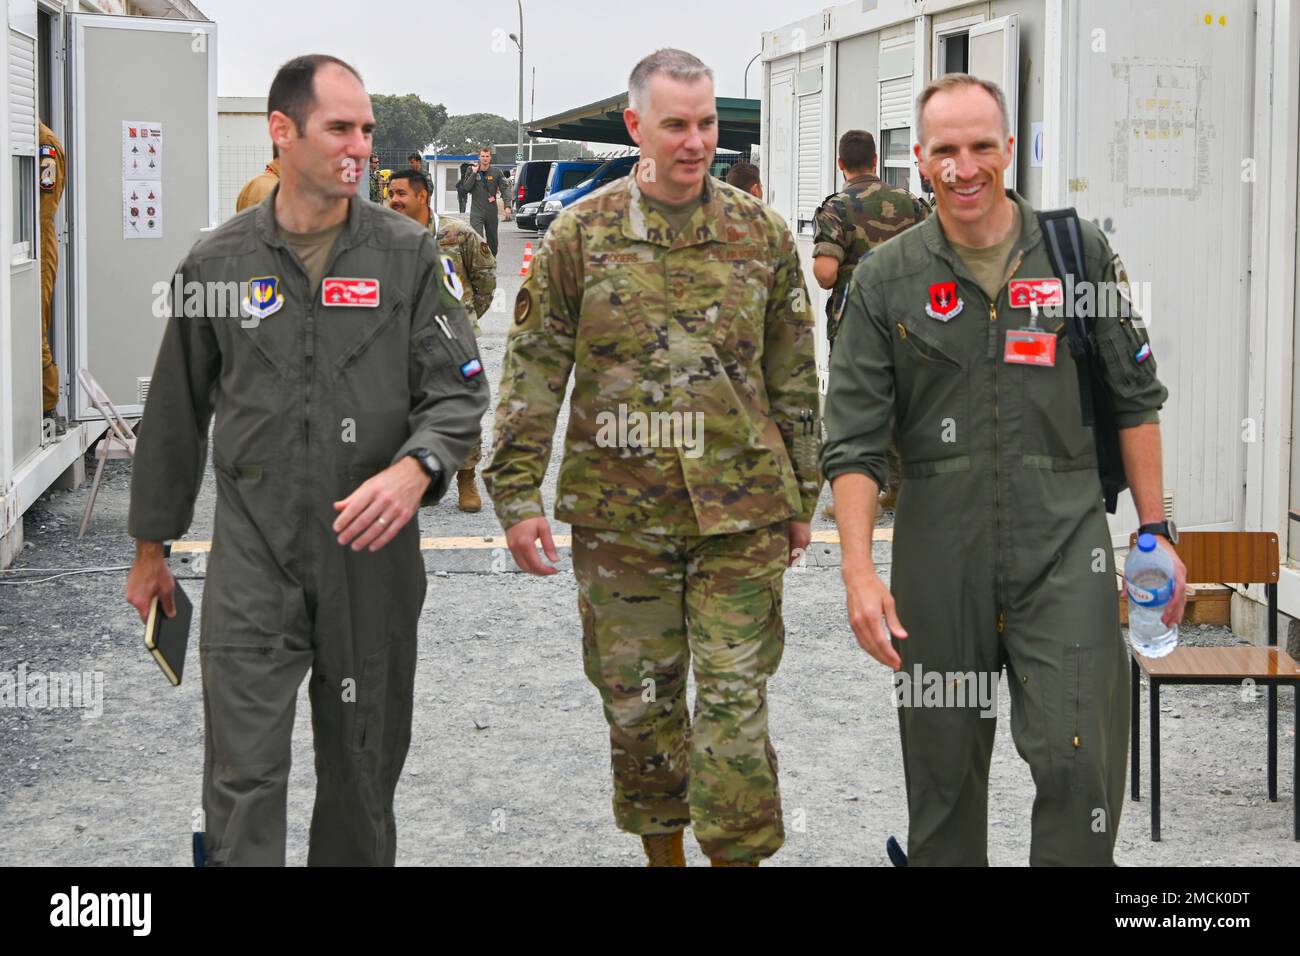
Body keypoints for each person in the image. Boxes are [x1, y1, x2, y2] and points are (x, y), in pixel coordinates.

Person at [123, 54, 488, 866]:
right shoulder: (217, 266)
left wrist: (415, 468)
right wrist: (152, 550)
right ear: (281, 133)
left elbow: (459, 390)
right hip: (254, 556)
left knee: (361, 776)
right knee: (242, 776)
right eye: (341, 128)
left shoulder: (408, 258)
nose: (361, 147)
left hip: (370, 557)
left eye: (366, 129)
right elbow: (174, 415)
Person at [821, 73, 1184, 866]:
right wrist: (858, 570)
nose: (965, 167)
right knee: (943, 773)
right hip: (938, 552)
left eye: (982, 145)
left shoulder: (1076, 252)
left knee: (1078, 754)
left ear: (1009, 149)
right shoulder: (886, 279)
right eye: (945, 150)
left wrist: (1154, 531)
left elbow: (1135, 397)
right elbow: (852, 440)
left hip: (1065, 543)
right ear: (918, 160)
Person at [485, 48, 820, 867]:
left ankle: (735, 859)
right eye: (677, 124)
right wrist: (518, 494)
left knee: (736, 707)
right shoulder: (580, 236)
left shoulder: (761, 234)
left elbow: (794, 374)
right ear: (637, 126)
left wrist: (801, 498)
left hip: (739, 516)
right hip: (619, 518)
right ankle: (664, 860)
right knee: (641, 710)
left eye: (706, 123)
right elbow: (534, 368)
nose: (695, 140)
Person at [813, 130, 928, 520]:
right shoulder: (911, 204)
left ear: (840, 163)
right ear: (876, 161)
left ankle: (858, 498)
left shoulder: (836, 208)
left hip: (855, 323)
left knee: (856, 407)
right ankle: (902, 489)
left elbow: (826, 274)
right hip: (908, 321)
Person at [387, 168, 497, 513]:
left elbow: (486, 281)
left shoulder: (458, 234)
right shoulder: (385, 236)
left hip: (453, 341)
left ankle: (466, 479)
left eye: (401, 194)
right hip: (401, 339)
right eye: (391, 194)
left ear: (423, 197)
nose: (393, 201)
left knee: (462, 407)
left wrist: (464, 319)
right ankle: (417, 476)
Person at [38, 120, 66, 431]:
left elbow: (44, 206)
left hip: (37, 246)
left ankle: (46, 406)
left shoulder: (45, 143)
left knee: (34, 325)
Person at [457, 147, 508, 255]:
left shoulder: (497, 172)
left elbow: (505, 189)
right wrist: (474, 173)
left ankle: (491, 261)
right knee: (477, 238)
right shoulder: (471, 170)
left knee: (493, 240)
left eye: (487, 156)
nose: (485, 158)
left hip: (491, 211)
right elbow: (466, 188)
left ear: (490, 158)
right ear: (479, 157)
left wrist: (507, 206)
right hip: (477, 211)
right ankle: (479, 264)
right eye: (483, 156)